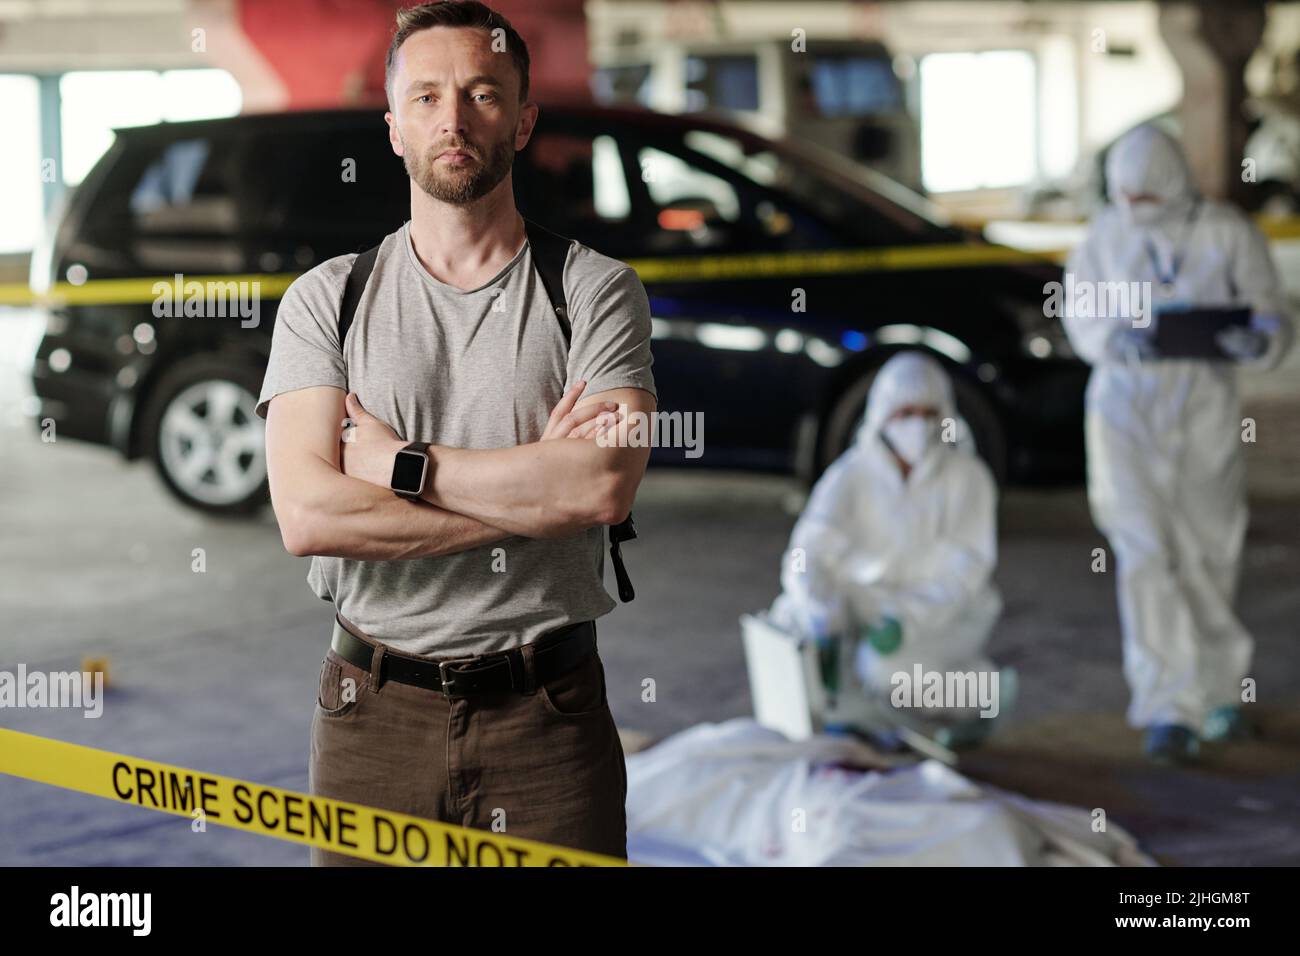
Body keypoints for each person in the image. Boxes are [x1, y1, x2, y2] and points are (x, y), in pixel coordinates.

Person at [256, 1, 656, 863]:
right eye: (429, 96)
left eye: (482, 93)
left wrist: (399, 464)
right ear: (394, 126)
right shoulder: (327, 301)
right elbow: (310, 517)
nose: (455, 118)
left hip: (549, 717)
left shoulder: (594, 293)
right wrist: (534, 497)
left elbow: (599, 487)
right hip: (372, 715)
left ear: (523, 118)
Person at [1062, 123, 1292, 764]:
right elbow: (1079, 315)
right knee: (1144, 554)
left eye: (1147, 196)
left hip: (1204, 403)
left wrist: (1263, 339)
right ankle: (1166, 704)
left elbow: (1270, 309)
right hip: (1124, 408)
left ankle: (1219, 692)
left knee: (1209, 548)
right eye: (1126, 196)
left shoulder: (1225, 231)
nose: (1136, 209)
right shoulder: (1103, 240)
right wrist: (1111, 340)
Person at [769, 351, 1003, 744]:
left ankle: (980, 693)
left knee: (885, 670)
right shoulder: (851, 474)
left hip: (943, 615)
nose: (917, 423)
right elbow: (805, 554)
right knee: (785, 631)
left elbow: (965, 573)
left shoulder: (968, 478)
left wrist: (906, 620)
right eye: (905, 411)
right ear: (881, 414)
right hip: (869, 606)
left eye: (928, 412)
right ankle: (855, 720)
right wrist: (822, 616)